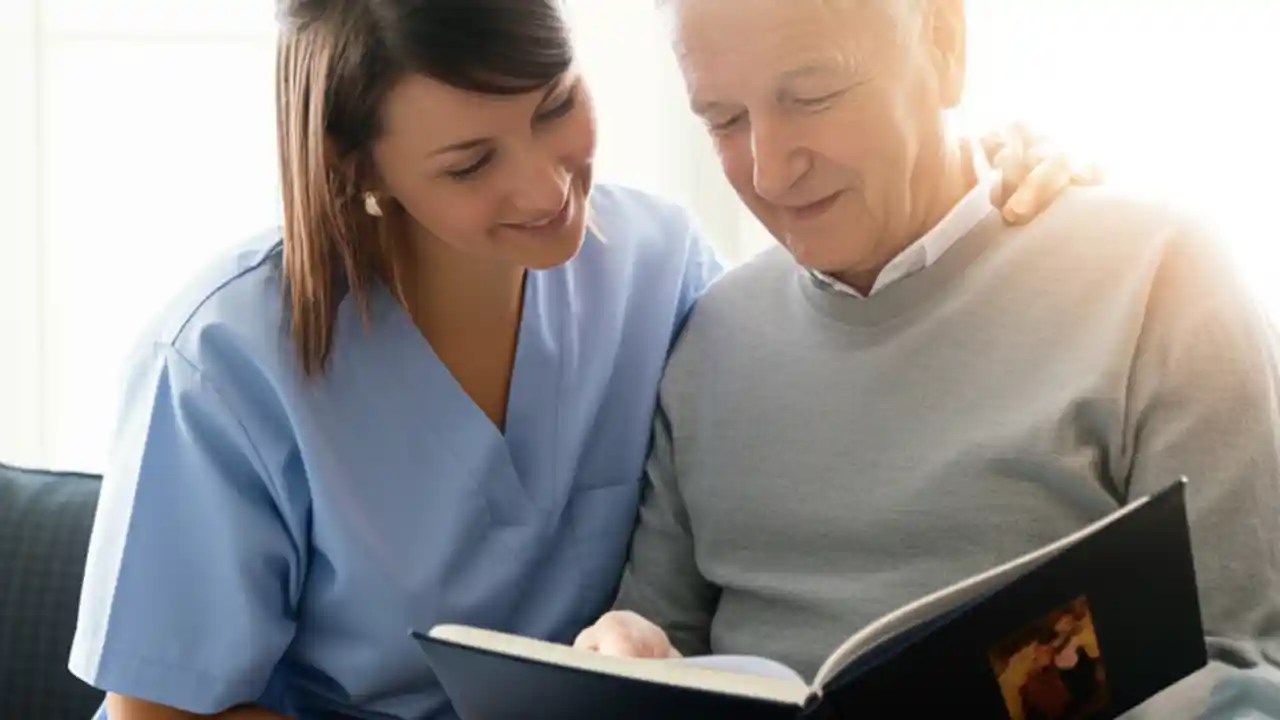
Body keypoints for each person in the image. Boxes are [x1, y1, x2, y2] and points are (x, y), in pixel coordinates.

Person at [67, 1, 1088, 718]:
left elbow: (828, 323)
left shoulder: (658, 267)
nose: (546, 183)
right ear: (357, 166)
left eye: (554, 105)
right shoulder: (223, 362)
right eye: (470, 162)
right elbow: (159, 708)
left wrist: (989, 178)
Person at [576, 0, 1280, 716]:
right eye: (723, 120)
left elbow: (1243, 669)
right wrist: (626, 646)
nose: (769, 170)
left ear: (945, 46)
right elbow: (661, 643)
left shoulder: (1157, 279)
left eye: (813, 97)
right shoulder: (711, 338)